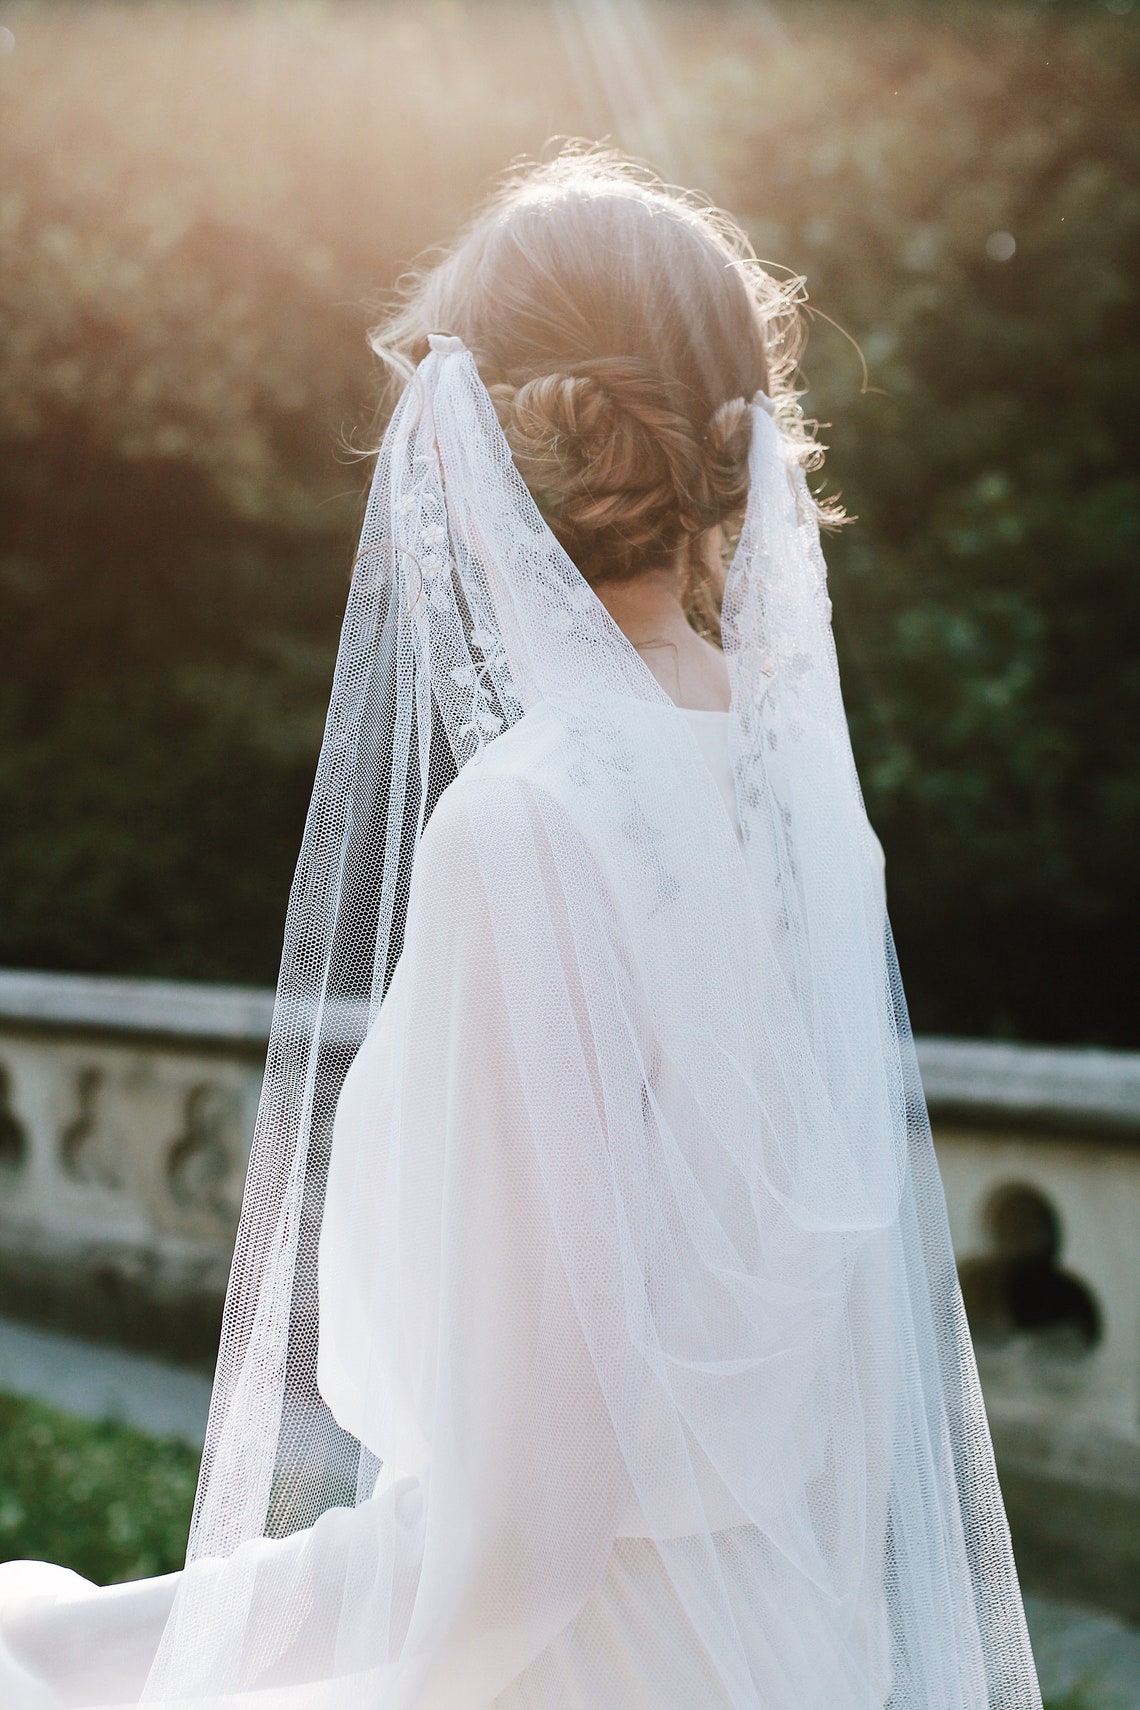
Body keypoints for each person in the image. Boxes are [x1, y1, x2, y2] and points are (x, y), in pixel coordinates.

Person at [0, 147, 1042, 1709]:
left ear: (474, 453)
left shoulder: (534, 822)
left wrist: (91, 1650)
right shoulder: (797, 803)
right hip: (779, 1646)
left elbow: (534, 1526)